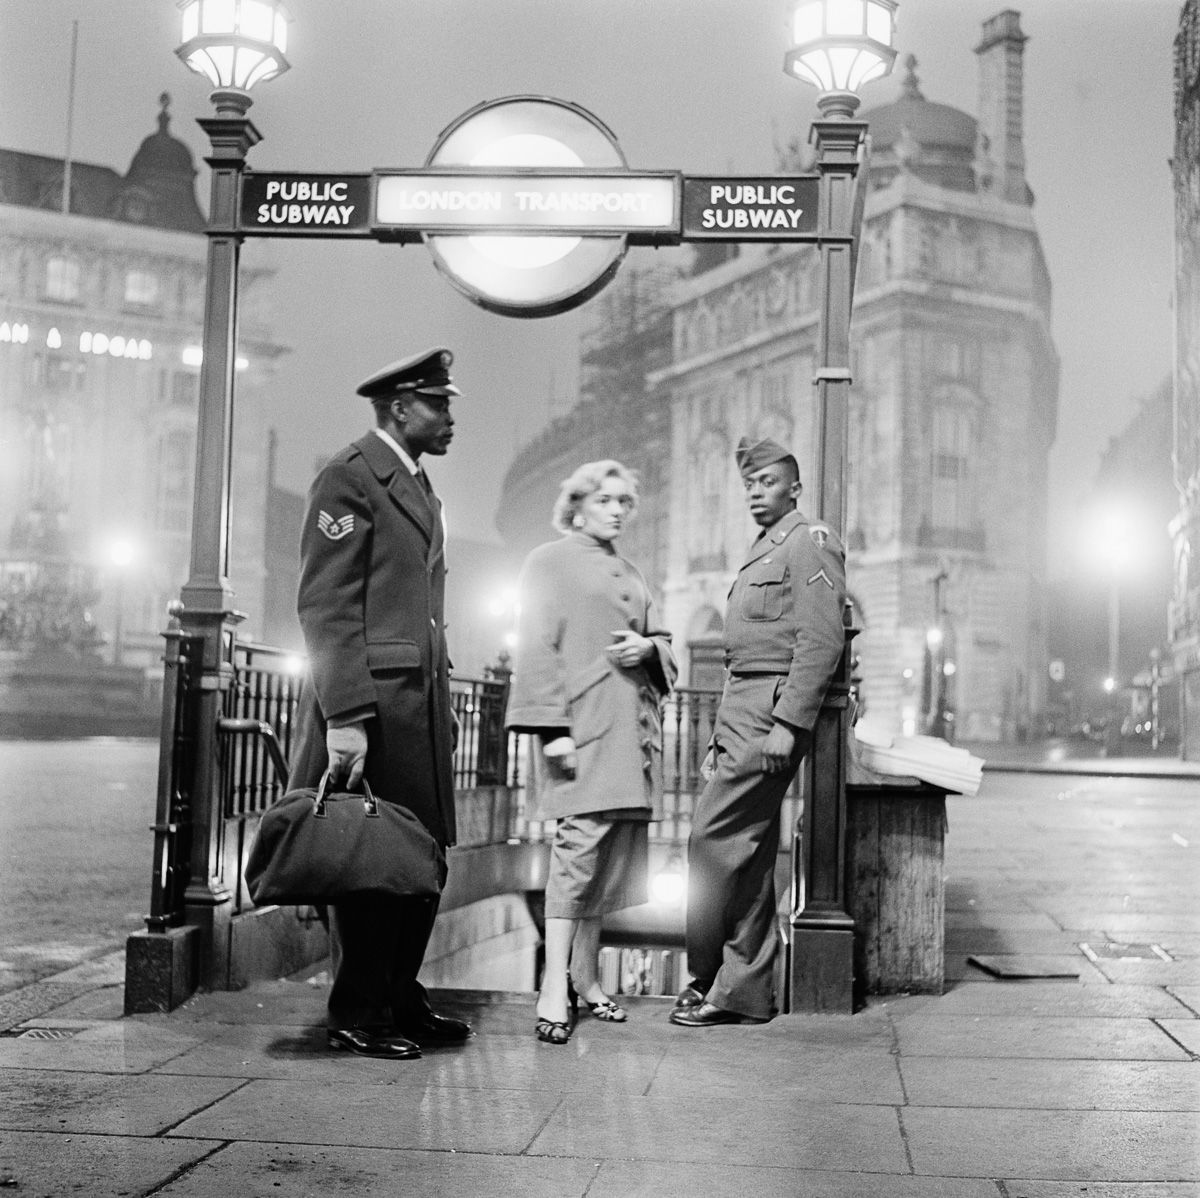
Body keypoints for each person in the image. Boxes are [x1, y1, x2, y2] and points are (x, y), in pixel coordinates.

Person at [289, 346, 472, 1060]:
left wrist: (441, 696)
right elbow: (327, 605)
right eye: (438, 403)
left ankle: (398, 993)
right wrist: (344, 718)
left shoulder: (417, 483)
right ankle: (359, 1011)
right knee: (372, 863)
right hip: (375, 710)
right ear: (400, 407)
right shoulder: (350, 476)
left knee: (421, 859)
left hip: (417, 708)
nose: (450, 417)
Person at [670, 436, 847, 1028]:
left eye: (767, 481)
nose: (755, 492)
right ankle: (741, 992)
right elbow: (739, 657)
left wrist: (787, 724)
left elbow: (821, 640)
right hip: (742, 713)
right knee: (746, 858)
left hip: (769, 715)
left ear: (794, 488)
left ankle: (704, 976)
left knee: (708, 842)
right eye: (749, 483)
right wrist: (718, 740)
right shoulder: (762, 549)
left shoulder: (808, 542)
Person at [505, 460, 678, 1045]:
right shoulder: (548, 561)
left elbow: (663, 640)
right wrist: (550, 729)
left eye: (625, 501)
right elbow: (536, 646)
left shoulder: (630, 570)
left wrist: (648, 649)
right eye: (605, 499)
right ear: (576, 505)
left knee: (608, 858)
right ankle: (553, 987)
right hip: (581, 729)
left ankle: (586, 977)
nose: (618, 510)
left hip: (631, 733)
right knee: (577, 854)